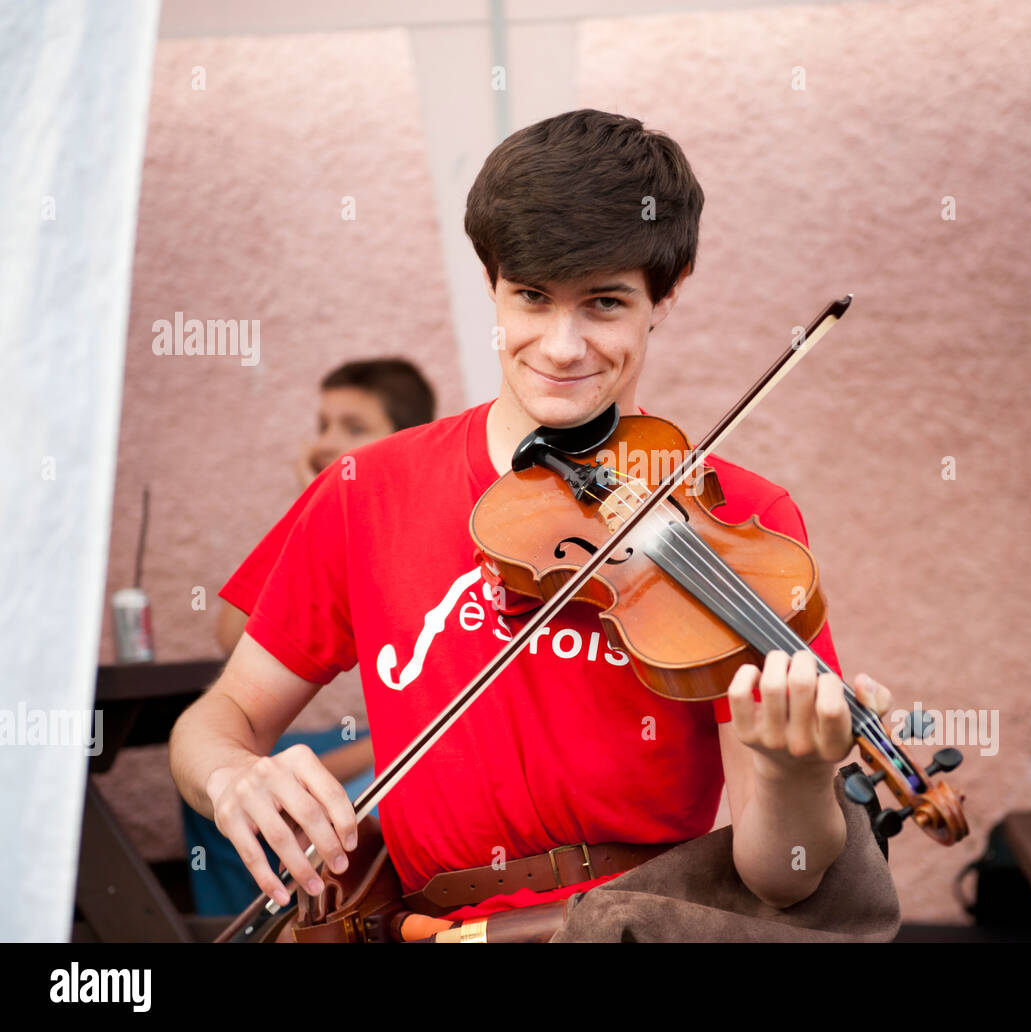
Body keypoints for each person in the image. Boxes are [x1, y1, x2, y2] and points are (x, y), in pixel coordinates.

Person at [169, 108, 896, 932]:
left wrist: (793, 774)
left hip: (635, 928)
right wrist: (231, 774)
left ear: (666, 297)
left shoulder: (741, 521)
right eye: (531, 297)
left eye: (605, 304)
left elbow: (783, 881)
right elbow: (214, 721)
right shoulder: (366, 488)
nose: (560, 345)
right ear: (492, 282)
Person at [187, 358, 434, 915]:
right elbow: (233, 636)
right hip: (365, 740)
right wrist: (311, 510)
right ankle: (242, 923)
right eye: (322, 425)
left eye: (353, 427)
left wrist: (325, 768)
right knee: (217, 788)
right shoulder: (343, 515)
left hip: (405, 746)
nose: (326, 443)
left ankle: (297, 921)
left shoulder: (422, 527)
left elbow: (422, 729)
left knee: (288, 802)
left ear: (407, 439)